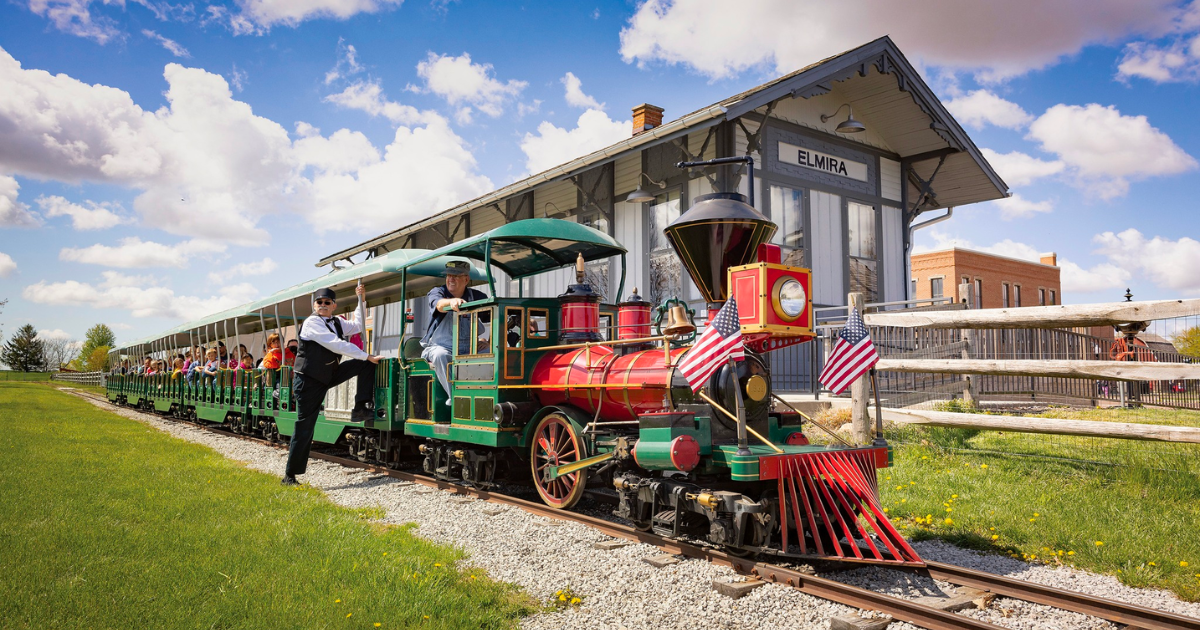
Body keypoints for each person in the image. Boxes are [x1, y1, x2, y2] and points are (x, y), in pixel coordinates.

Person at [283, 284, 381, 486]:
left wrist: (360, 300)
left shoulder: (337, 321)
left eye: (327, 302)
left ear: (334, 305)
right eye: (319, 302)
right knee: (305, 426)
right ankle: (290, 476)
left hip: (328, 375)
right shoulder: (312, 323)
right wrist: (367, 355)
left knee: (364, 365)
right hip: (309, 381)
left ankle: (361, 407)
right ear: (314, 305)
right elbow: (336, 344)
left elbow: (358, 325)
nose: (323, 305)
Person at [420, 261, 488, 406]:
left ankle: (487, 396)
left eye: (456, 276)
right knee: (440, 355)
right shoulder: (437, 292)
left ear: (466, 280)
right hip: (442, 346)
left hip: (470, 348)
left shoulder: (478, 297)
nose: (451, 279)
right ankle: (458, 399)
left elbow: (495, 317)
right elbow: (438, 304)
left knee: (493, 352)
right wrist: (451, 302)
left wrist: (489, 341)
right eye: (449, 275)